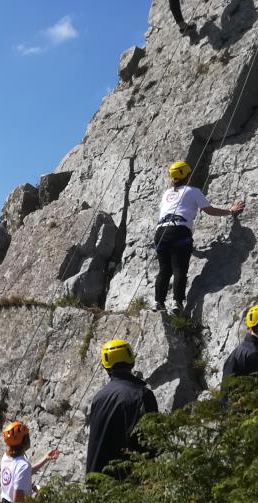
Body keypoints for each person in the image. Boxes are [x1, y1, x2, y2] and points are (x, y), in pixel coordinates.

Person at [155, 161, 245, 314]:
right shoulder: (193, 191)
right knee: (179, 268)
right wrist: (230, 211)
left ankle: (159, 303)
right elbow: (209, 210)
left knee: (164, 269)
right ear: (187, 175)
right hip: (179, 230)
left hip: (160, 233)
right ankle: (177, 303)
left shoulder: (166, 194)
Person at [86, 339, 158, 477]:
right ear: (131, 360)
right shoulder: (143, 395)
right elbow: (152, 441)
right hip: (133, 478)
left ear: (105, 366)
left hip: (102, 479)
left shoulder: (99, 397)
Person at [0, 421, 61, 503]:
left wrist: (45, 458)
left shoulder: (6, 457)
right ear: (23, 441)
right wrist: (36, 498)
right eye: (27, 436)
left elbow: (24, 474)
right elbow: (17, 497)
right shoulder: (23, 465)